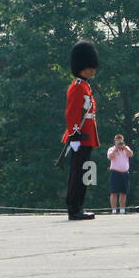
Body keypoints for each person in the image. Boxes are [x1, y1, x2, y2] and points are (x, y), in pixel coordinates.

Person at [62, 39, 100, 221]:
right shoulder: (77, 87)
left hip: (87, 135)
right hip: (80, 136)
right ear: (81, 66)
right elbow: (72, 113)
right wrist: (74, 134)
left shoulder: (85, 85)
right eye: (90, 66)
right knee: (78, 173)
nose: (93, 69)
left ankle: (78, 205)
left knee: (83, 172)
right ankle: (74, 207)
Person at [107, 134, 134, 214]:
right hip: (115, 172)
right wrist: (116, 149)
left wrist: (124, 147)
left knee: (123, 192)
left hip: (125, 173)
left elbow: (131, 154)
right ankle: (114, 210)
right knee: (114, 192)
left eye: (121, 140)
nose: (119, 142)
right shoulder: (111, 149)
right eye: (118, 140)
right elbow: (110, 157)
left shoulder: (126, 148)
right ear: (115, 141)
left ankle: (122, 209)